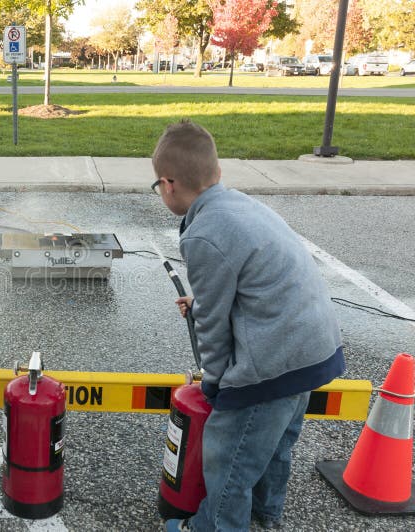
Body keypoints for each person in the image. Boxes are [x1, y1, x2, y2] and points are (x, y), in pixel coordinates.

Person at [151, 120, 345, 531]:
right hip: (312, 347)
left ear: (168, 184)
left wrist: (215, 384)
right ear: (216, 173)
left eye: (158, 185)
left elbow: (213, 325)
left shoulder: (203, 233)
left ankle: (216, 526)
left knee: (230, 456)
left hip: (276, 356)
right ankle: (265, 515)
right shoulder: (238, 204)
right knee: (273, 446)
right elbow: (247, 282)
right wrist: (202, 302)